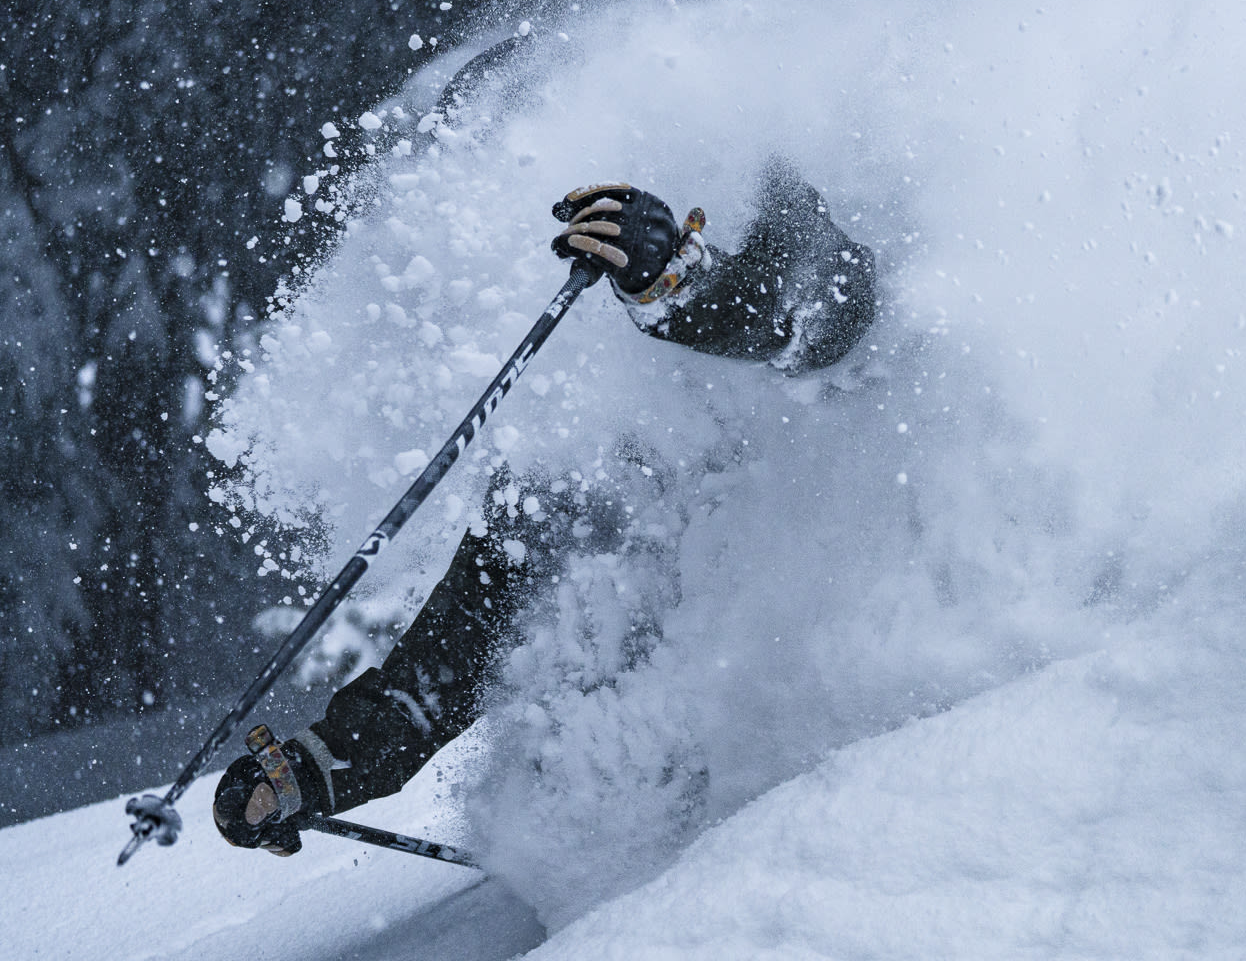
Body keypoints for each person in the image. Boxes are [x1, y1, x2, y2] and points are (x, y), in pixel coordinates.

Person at [212, 163, 876, 855]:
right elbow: (447, 662)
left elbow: (831, 315)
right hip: (699, 773)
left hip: (848, 678)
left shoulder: (822, 151)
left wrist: (678, 285)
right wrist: (314, 774)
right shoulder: (578, 461)